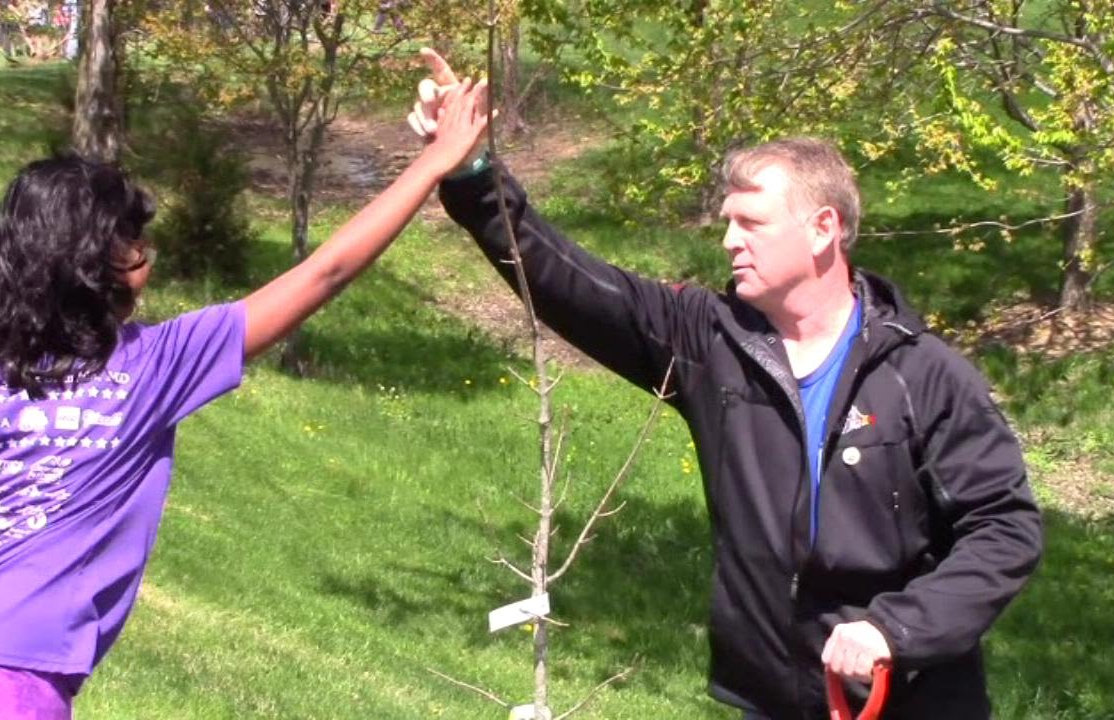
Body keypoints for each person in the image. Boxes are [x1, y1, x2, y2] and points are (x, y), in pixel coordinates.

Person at [409, 50, 1043, 719]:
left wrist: (897, 629)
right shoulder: (710, 342)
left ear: (823, 228)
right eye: (728, 223)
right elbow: (572, 283)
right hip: (772, 700)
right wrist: (472, 175)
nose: (729, 242)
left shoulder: (924, 375)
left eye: (752, 224)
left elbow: (1005, 530)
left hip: (912, 702)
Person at [0, 79, 490, 719]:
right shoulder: (151, 367)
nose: (151, 259)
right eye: (138, 246)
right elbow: (326, 271)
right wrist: (435, 161)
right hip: (8, 688)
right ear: (99, 266)